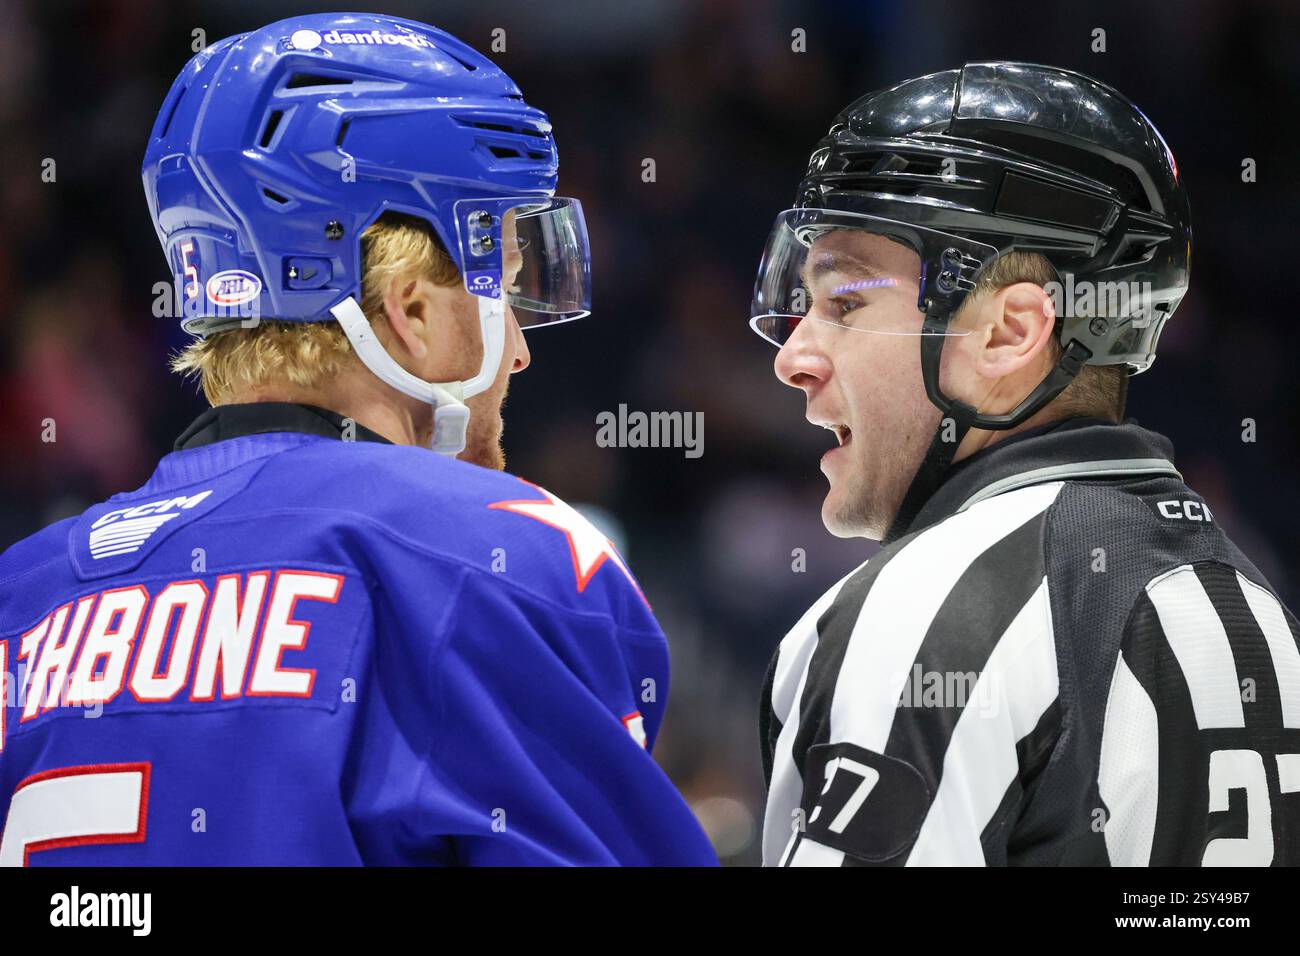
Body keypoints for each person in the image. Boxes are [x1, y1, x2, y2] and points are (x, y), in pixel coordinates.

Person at [0, 13, 716, 867]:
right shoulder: (500, 551)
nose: (520, 349)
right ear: (410, 311)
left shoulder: (26, 594)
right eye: (510, 289)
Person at [752, 61, 1300, 866]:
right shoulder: (1257, 608)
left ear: (1010, 332)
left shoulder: (920, 618)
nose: (792, 357)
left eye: (844, 303)